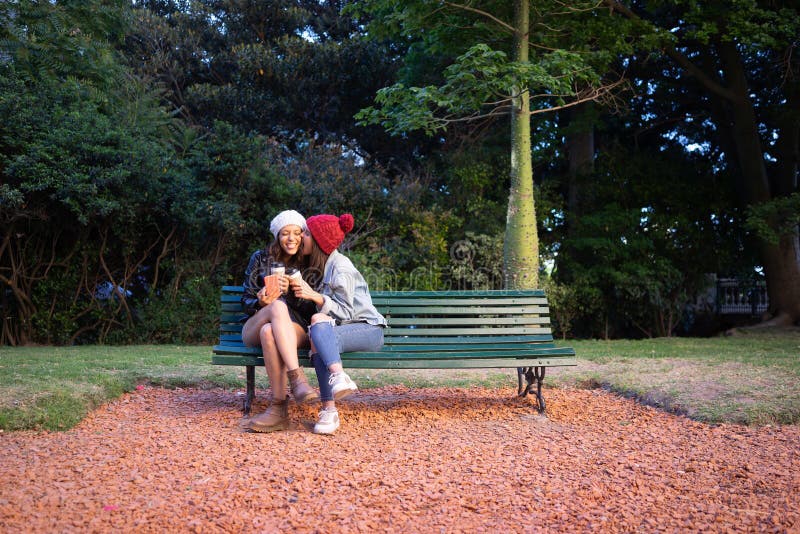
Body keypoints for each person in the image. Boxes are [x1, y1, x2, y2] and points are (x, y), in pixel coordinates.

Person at [289, 213, 387, 434]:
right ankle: (330, 407)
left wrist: (315, 296)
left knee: (317, 324)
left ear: (318, 240)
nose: (301, 236)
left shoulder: (341, 267)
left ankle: (334, 390)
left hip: (368, 329)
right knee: (317, 331)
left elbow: (347, 312)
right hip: (342, 329)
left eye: (305, 232)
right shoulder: (321, 265)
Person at [241, 210, 318, 433]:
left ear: (303, 235)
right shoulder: (260, 258)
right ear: (277, 236)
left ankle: (278, 409)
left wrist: (294, 293)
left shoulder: (309, 261)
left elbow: (312, 308)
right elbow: (244, 299)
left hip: (295, 330)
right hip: (254, 324)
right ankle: (297, 380)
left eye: (297, 233)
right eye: (285, 233)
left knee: (269, 332)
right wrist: (259, 302)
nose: (291, 238)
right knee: (275, 307)